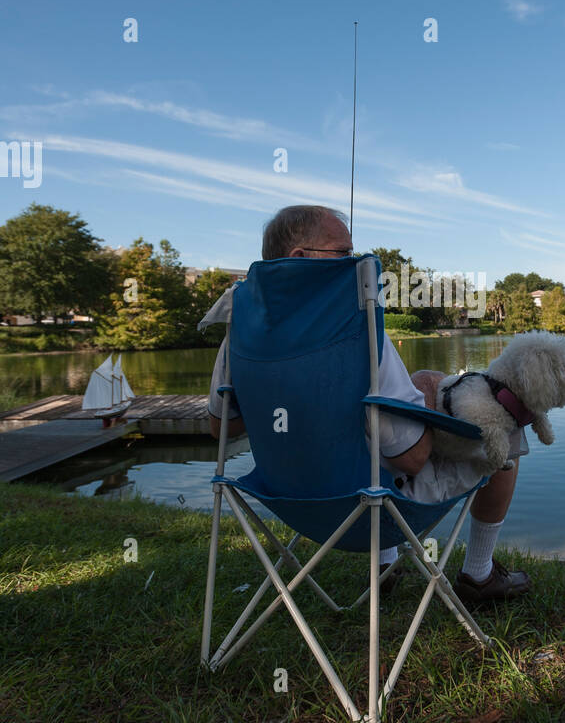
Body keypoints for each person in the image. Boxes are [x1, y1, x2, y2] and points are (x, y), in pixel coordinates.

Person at [206, 204, 530, 604]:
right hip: (366, 509)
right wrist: (428, 394)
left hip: (291, 503)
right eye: (343, 253)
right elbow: (412, 458)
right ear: (300, 259)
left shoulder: (239, 333)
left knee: (375, 420)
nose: (354, 262)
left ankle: (384, 564)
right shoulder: (359, 331)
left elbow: (222, 429)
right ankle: (479, 574)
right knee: (506, 424)